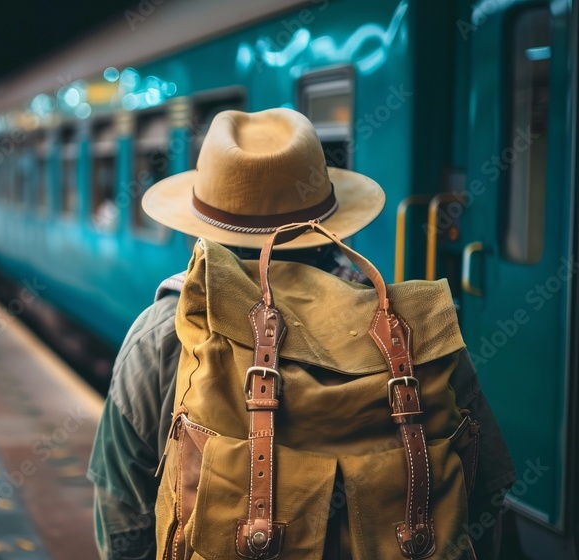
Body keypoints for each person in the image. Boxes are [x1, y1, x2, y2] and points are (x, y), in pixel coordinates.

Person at [86, 109, 517, 559]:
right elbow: (486, 494)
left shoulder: (160, 334)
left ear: (205, 230)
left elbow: (122, 520)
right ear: (332, 226)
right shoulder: (416, 332)